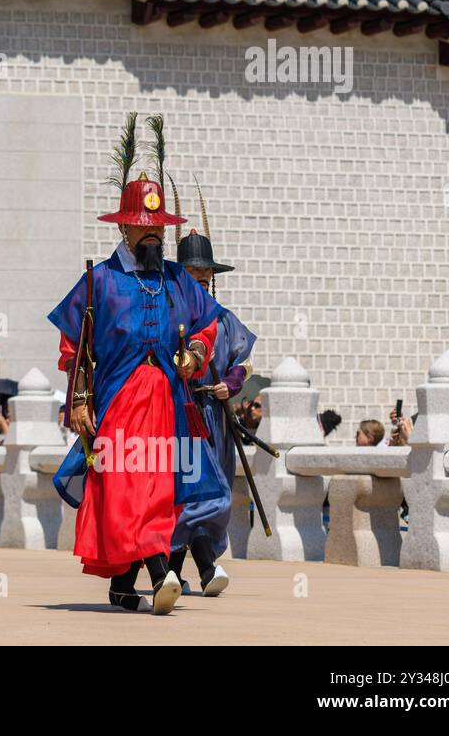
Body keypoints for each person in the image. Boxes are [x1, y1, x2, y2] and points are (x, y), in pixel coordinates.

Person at [49, 114, 223, 615]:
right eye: (143, 227)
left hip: (167, 399)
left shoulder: (175, 278)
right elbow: (73, 346)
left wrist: (195, 354)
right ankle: (161, 575)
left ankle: (129, 584)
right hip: (118, 403)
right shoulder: (99, 280)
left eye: (158, 228)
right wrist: (78, 400)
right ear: (124, 225)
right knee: (126, 489)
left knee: (158, 489)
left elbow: (209, 324)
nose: (152, 235)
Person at [167, 180, 255, 598]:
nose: (200, 282)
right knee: (187, 490)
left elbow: (245, 360)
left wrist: (230, 384)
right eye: (192, 275)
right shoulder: (167, 316)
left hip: (213, 416)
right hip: (178, 414)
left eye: (205, 276)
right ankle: (193, 567)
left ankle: (179, 570)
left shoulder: (223, 318)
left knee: (211, 488)